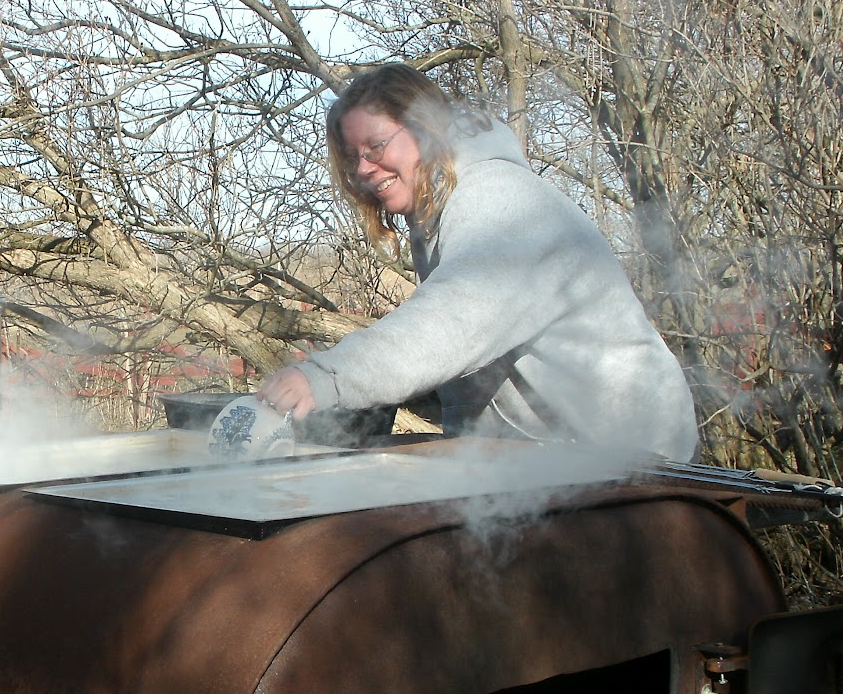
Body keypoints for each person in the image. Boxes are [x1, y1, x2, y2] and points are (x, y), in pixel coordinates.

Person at [256, 63, 698, 462]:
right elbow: (471, 372)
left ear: (425, 131)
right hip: (548, 455)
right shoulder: (438, 212)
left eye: (376, 146)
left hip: (633, 451)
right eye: (353, 158)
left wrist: (326, 377)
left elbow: (450, 325)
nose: (365, 169)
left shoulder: (503, 204)